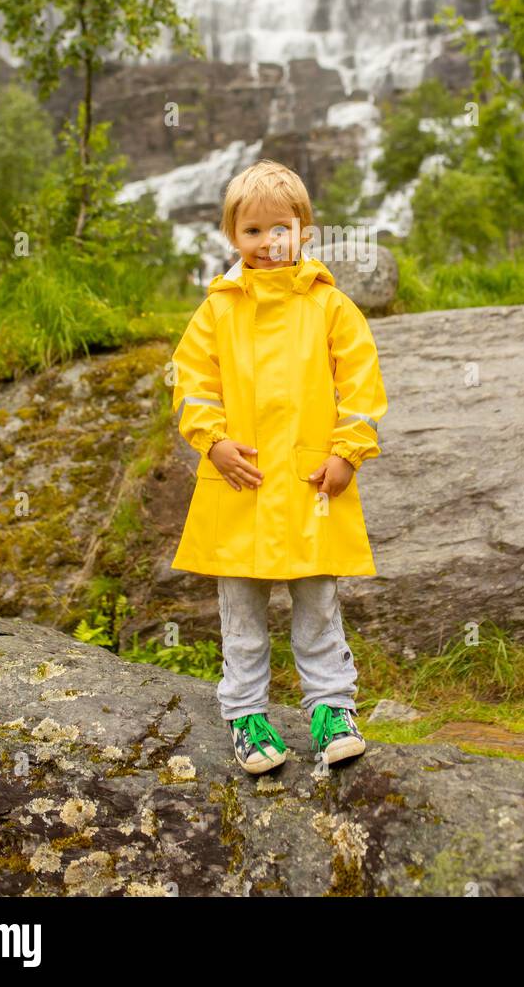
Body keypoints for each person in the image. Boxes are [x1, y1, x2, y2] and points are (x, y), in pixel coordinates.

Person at [169, 159, 388, 775]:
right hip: (241, 483)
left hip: (312, 484)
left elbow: (363, 387)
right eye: (253, 232)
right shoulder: (216, 311)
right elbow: (192, 386)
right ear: (231, 237)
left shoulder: (331, 307)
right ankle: (246, 715)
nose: (268, 244)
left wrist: (347, 452)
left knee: (318, 603)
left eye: (280, 229)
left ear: (305, 231)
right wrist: (212, 441)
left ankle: (331, 708)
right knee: (241, 613)